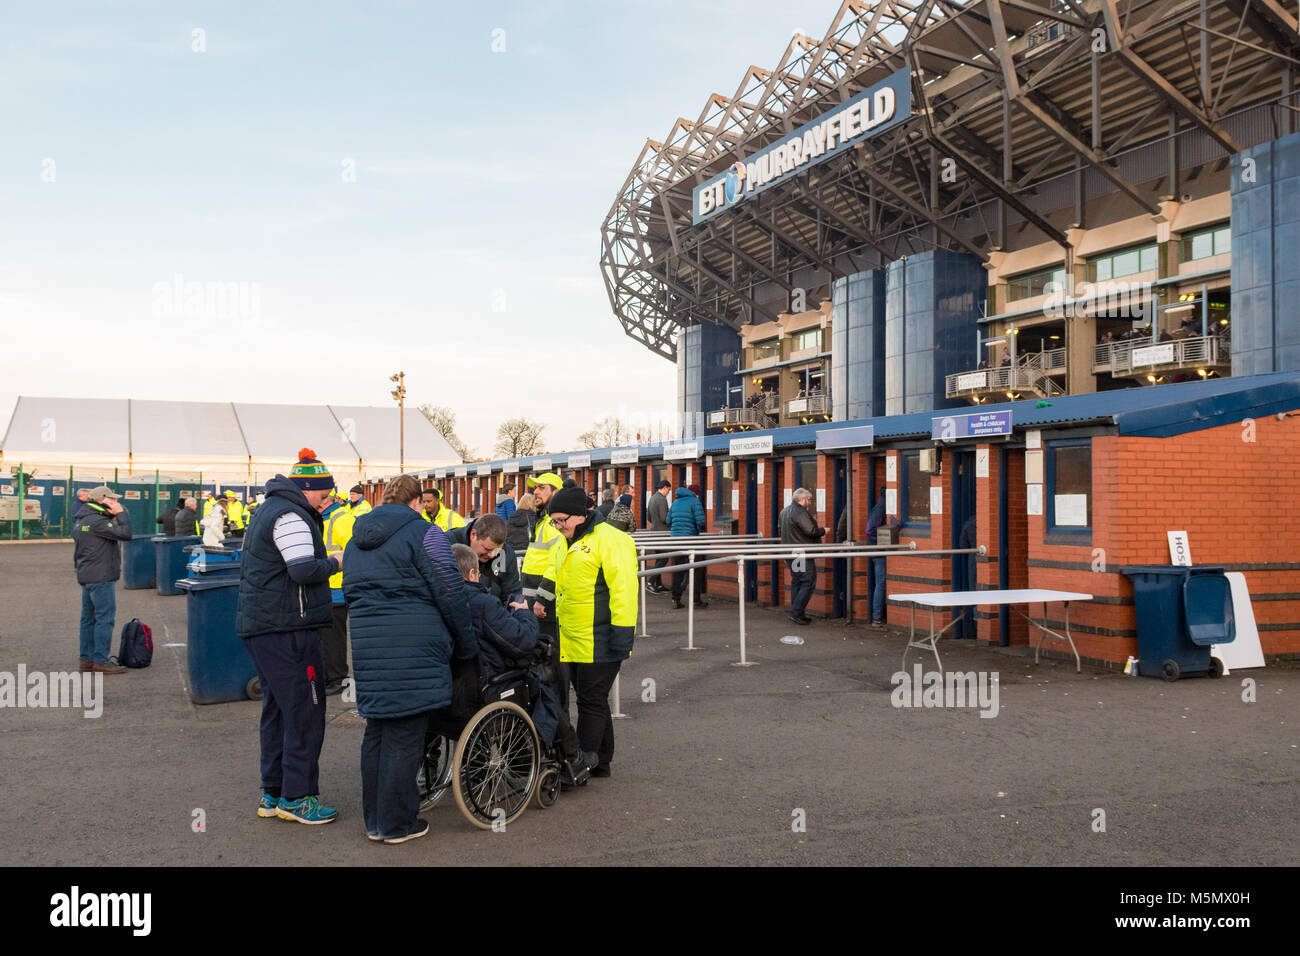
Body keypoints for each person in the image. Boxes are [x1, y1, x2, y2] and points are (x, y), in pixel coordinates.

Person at [345, 475, 477, 844]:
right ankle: (398, 825)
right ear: (418, 501)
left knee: (378, 732)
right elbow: (450, 592)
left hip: (370, 646)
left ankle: (375, 821)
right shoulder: (426, 533)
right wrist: (465, 644)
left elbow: (351, 591)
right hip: (415, 645)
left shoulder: (357, 539)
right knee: (406, 736)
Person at [235, 449, 343, 826]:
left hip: (267, 627)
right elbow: (301, 570)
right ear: (308, 489)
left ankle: (274, 791)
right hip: (289, 629)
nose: (327, 500)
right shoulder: (292, 516)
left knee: (278, 710)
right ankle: (298, 798)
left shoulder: (270, 509)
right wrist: (335, 562)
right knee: (305, 712)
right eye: (324, 493)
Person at [545, 487, 638, 779]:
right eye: (554, 522)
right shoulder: (568, 540)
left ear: (581, 514)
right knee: (593, 698)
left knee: (590, 700)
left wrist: (621, 636)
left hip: (600, 638)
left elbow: (624, 590)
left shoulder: (612, 540)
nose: (559, 527)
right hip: (574, 636)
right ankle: (602, 761)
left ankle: (580, 763)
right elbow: (556, 574)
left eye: (562, 520)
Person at [451, 543, 559, 751]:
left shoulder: (435, 600)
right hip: (485, 685)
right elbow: (522, 642)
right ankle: (553, 753)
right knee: (542, 687)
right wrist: (523, 613)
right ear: (473, 573)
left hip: (450, 684)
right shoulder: (482, 603)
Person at [518, 471, 584, 786]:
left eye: (542, 487)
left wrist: (541, 598)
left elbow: (556, 564)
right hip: (535, 606)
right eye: (535, 488)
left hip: (547, 608)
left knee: (555, 678)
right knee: (546, 673)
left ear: (555, 490)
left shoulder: (556, 522)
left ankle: (564, 750)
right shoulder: (543, 519)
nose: (536, 492)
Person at [72, 486, 132, 675]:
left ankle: (87, 660)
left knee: (88, 619)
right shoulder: (97, 522)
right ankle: (100, 661)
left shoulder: (82, 519)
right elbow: (126, 534)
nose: (116, 503)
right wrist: (120, 514)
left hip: (88, 574)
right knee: (104, 619)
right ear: (102, 499)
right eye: (112, 500)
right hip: (101, 576)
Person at [321, 492, 357, 695]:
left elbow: (352, 552)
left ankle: (337, 679)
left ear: (327, 499)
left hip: (337, 588)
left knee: (334, 637)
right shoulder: (323, 518)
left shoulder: (342, 519)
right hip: (324, 586)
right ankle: (329, 676)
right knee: (326, 637)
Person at [445, 513, 521, 606]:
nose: (491, 555)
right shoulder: (447, 545)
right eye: (487, 549)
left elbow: (513, 594)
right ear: (473, 535)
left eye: (496, 551)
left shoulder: (506, 554)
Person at [779, 487, 825, 626]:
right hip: (801, 553)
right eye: (809, 499)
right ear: (802, 499)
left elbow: (779, 529)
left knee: (797, 581)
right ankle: (796, 612)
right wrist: (823, 530)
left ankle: (797, 613)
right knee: (808, 582)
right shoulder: (800, 512)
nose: (809, 503)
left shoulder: (784, 511)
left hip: (791, 551)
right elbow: (811, 531)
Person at [668, 484, 708, 609]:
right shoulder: (695, 502)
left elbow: (668, 521)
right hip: (690, 540)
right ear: (696, 494)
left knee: (679, 569)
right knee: (696, 568)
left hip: (676, 540)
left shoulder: (675, 502)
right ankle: (696, 599)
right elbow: (701, 521)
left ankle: (676, 598)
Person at [645, 479, 672, 592]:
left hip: (654, 531)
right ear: (664, 487)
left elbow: (649, 517)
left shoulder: (652, 498)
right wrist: (671, 520)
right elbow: (664, 518)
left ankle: (659, 584)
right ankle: (651, 581)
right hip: (662, 533)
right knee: (664, 558)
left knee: (659, 558)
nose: (669, 492)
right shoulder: (662, 500)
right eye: (669, 490)